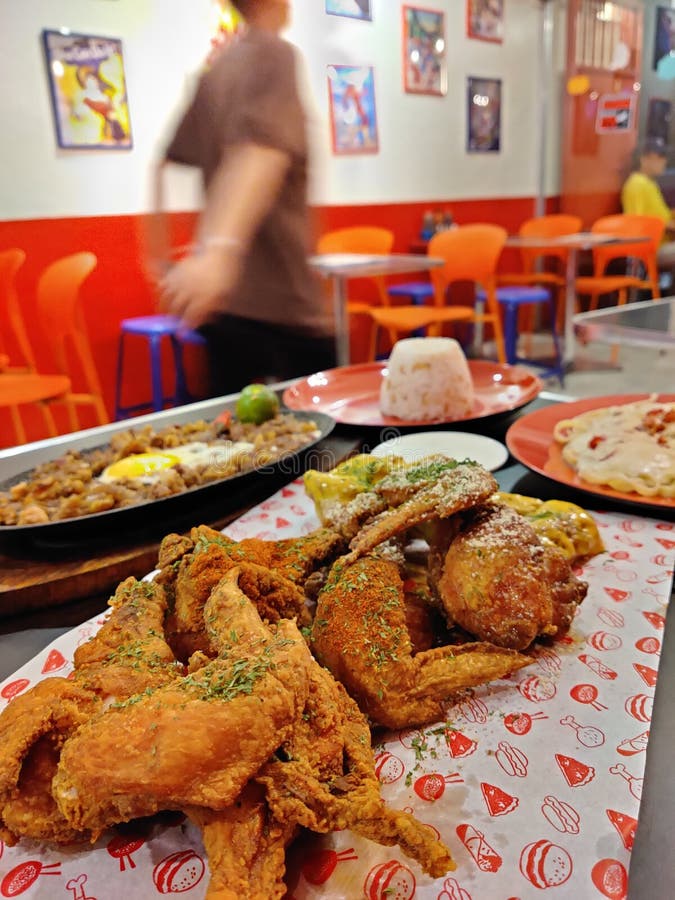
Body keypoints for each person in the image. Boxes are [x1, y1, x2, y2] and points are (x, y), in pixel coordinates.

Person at [155, 0, 336, 397]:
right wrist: (220, 251)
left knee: (227, 450)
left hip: (225, 310)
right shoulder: (274, 54)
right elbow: (259, 153)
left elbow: (163, 164)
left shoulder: (217, 68)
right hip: (283, 306)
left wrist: (160, 258)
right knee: (328, 449)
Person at [621, 137, 675, 269]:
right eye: (658, 157)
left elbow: (661, 214)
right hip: (652, 248)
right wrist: (668, 226)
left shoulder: (650, 183)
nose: (663, 161)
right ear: (643, 159)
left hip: (664, 243)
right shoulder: (636, 184)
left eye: (663, 157)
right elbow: (638, 222)